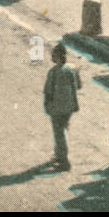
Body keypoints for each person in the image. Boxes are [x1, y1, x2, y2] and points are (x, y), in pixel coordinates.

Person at [43, 42, 81, 171]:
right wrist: (75, 105)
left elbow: (48, 91)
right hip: (69, 106)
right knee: (63, 129)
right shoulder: (71, 70)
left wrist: (47, 105)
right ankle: (59, 155)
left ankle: (64, 161)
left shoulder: (53, 72)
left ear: (57, 57)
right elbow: (77, 87)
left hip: (57, 107)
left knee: (59, 132)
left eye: (53, 55)